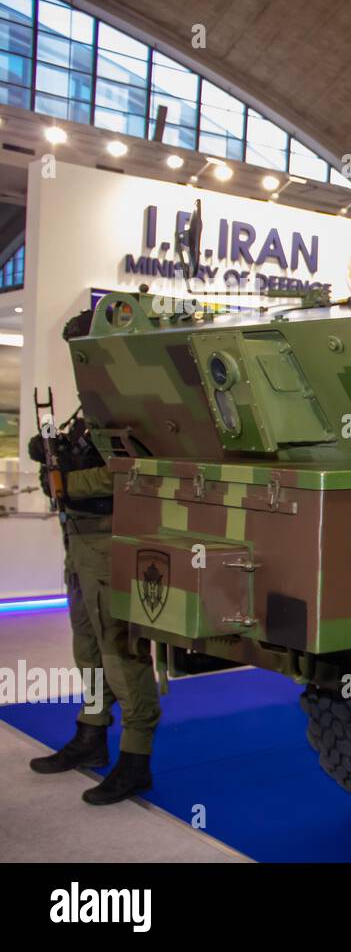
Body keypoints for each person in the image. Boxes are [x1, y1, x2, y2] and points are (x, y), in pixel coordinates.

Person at [27, 313, 160, 805]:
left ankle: (135, 755)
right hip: (79, 539)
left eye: (85, 346)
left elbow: (136, 471)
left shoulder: (135, 399)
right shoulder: (94, 405)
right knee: (87, 648)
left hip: (111, 542)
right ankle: (91, 732)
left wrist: (63, 482)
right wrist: (50, 452)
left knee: (120, 651)